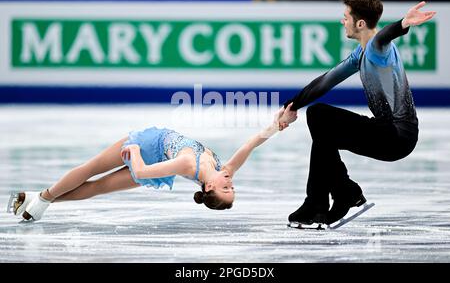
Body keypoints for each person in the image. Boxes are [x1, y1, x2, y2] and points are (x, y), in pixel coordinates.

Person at [279, 0, 436, 226]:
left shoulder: (377, 48)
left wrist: (402, 24)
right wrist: (293, 105)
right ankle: (337, 196)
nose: (343, 21)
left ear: (360, 23)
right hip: (388, 131)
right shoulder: (361, 53)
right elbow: (327, 80)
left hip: (396, 135)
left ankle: (329, 198)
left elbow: (384, 36)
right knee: (322, 127)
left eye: (346, 17)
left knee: (320, 116)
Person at [8, 105, 297, 222]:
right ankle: (37, 201)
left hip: (148, 147)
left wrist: (133, 150)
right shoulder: (225, 169)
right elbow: (252, 143)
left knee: (92, 170)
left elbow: (143, 170)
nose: (230, 183)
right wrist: (277, 124)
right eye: (232, 188)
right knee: (95, 186)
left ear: (209, 186)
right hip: (157, 157)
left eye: (226, 189)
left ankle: (44, 197)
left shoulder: (187, 164)